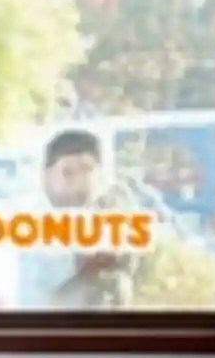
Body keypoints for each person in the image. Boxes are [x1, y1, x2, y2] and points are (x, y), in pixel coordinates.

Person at [17, 129, 138, 309]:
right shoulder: (31, 221)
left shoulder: (109, 217)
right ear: (46, 177)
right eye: (68, 173)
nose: (80, 181)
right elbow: (51, 272)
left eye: (88, 170)